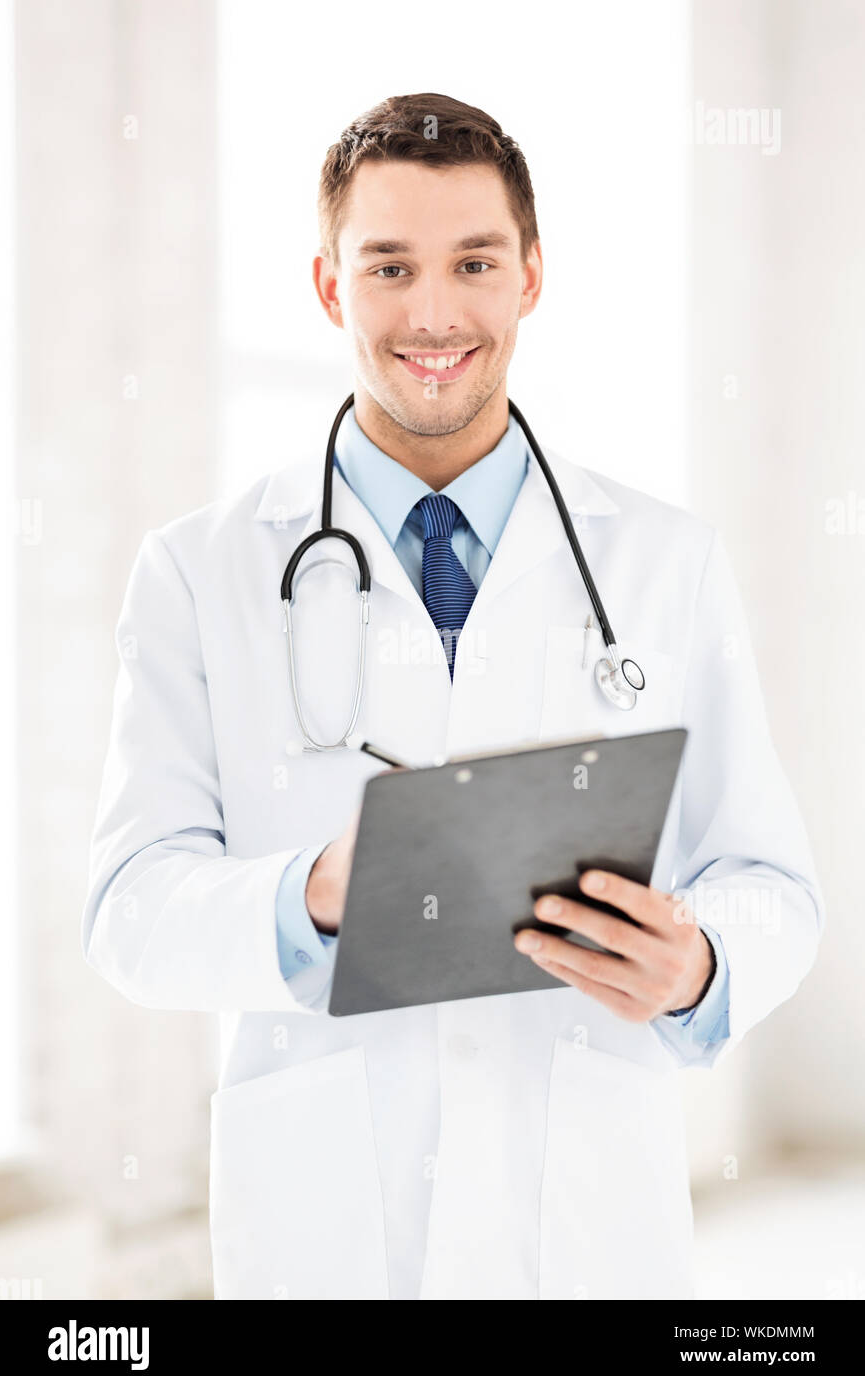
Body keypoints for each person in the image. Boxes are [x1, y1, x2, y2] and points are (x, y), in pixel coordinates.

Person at [81, 92, 824, 1301]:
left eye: (473, 262)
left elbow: (776, 888)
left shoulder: (662, 559)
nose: (433, 314)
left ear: (531, 275)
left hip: (587, 1225)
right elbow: (127, 908)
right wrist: (310, 894)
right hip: (327, 1227)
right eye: (388, 267)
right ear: (330, 287)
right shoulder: (199, 569)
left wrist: (699, 963)